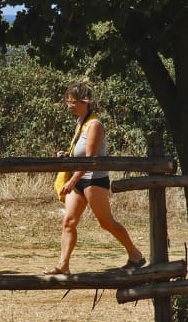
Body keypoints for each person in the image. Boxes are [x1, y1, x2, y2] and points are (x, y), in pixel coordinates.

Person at [49, 80, 146, 275]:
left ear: (84, 101)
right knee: (69, 221)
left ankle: (135, 255)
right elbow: (79, 153)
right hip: (78, 179)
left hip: (93, 180)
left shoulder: (95, 124)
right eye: (68, 102)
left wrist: (72, 181)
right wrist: (66, 157)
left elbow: (90, 160)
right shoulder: (81, 123)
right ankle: (63, 265)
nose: (69, 106)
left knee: (106, 222)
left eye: (72, 102)